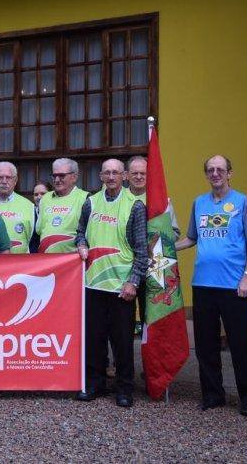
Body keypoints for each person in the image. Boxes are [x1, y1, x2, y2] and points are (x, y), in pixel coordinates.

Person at [175, 155, 247, 415]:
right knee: (205, 344)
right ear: (206, 174)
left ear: (229, 173)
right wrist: (164, 247)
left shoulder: (243, 202)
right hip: (203, 284)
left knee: (240, 344)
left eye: (220, 169)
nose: (215, 174)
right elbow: (190, 238)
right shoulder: (198, 203)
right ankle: (213, 394)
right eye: (210, 170)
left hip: (234, 285)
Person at [75, 159, 148, 408]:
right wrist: (81, 244)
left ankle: (124, 388)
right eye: (107, 172)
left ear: (125, 176)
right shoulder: (91, 202)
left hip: (121, 285)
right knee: (94, 338)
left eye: (116, 172)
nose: (111, 176)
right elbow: (80, 232)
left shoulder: (135, 205)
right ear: (100, 176)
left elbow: (141, 249)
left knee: (123, 341)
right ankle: (95, 384)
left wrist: (133, 282)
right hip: (93, 282)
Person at [126, 155, 181, 335]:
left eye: (143, 173)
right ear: (126, 175)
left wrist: (156, 238)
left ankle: (152, 363)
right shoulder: (120, 198)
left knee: (151, 322)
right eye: (135, 173)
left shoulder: (161, 200)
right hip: (124, 267)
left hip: (153, 270)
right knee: (123, 322)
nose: (139, 177)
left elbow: (174, 233)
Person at [35, 158, 89, 253]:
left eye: (61, 176)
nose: (56, 180)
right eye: (54, 176)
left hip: (71, 262)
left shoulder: (85, 198)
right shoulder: (45, 198)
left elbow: (89, 234)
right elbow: (39, 230)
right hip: (45, 261)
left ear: (74, 177)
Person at [0, 162, 34, 254]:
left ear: (15, 180)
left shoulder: (29, 205)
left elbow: (33, 240)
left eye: (8, 177)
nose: (4, 181)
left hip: (21, 264)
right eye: (0, 177)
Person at [29, 181, 52, 254]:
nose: (39, 197)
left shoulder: (56, 212)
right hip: (33, 258)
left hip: (52, 257)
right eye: (36, 194)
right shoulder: (28, 212)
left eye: (43, 194)